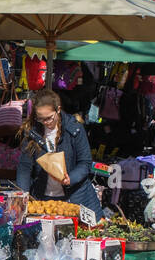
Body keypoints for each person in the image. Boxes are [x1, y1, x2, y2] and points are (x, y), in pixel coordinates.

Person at [17, 89, 106, 219]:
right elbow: (24, 168)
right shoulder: (32, 132)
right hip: (43, 200)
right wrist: (23, 196)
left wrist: (71, 178)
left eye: (49, 118)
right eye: (40, 118)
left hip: (77, 197)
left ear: (58, 110)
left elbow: (85, 163)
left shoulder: (74, 128)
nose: (45, 122)